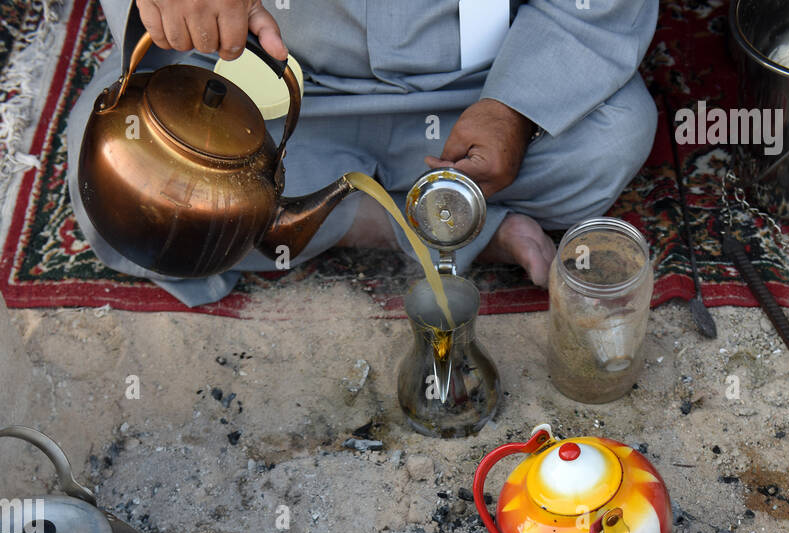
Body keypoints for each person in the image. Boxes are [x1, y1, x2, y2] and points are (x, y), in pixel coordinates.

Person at [67, 0, 659, 306]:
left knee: (612, 137)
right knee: (114, 182)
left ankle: (300, 208)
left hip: (475, 86)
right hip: (265, 87)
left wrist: (517, 111)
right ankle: (404, 219)